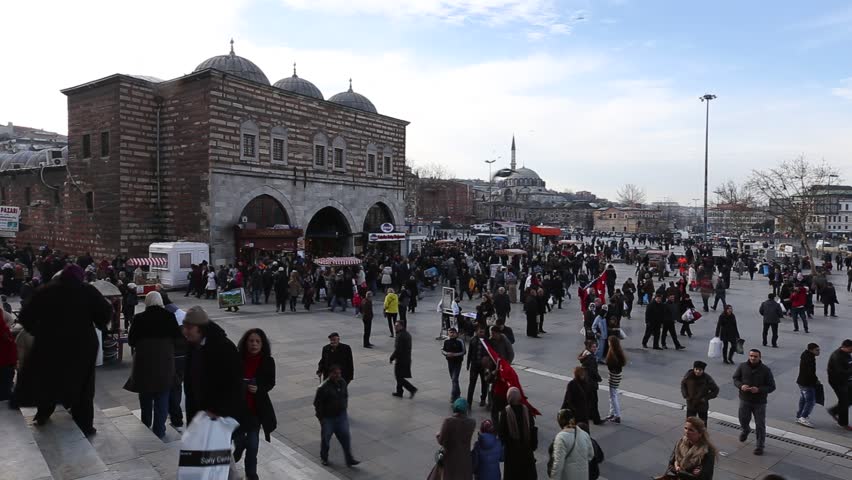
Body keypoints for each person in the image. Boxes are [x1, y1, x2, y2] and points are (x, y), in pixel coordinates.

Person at [15, 264, 111, 435]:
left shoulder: (46, 291)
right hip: (82, 346)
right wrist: (98, 323)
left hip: (51, 345)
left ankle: (43, 414)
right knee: (84, 385)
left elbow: (25, 316)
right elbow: (104, 313)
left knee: (48, 379)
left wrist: (39, 332)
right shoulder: (87, 291)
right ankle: (85, 424)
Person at [124, 292, 181, 439]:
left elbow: (131, 341)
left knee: (145, 394)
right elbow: (177, 338)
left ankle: (146, 423)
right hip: (164, 362)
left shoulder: (139, 318)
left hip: (144, 362)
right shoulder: (169, 317)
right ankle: (159, 430)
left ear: (147, 302)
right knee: (162, 395)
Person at [181, 306, 246, 426]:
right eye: (184, 327)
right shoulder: (192, 345)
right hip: (198, 415)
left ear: (201, 329)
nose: (185, 331)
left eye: (189, 328)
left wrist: (218, 410)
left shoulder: (224, 347)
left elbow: (235, 385)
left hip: (219, 418)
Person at [234, 329, 277, 480]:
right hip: (238, 410)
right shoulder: (237, 359)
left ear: (262, 344)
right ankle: (239, 449)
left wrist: (259, 389)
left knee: (253, 445)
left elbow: (270, 382)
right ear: (245, 343)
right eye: (251, 341)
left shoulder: (267, 361)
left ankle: (251, 472)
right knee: (239, 440)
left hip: (255, 410)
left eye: (258, 341)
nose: (254, 344)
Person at [313, 365, 360, 467]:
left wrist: (344, 407)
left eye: (339, 373)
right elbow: (317, 404)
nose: (338, 375)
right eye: (335, 373)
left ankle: (349, 458)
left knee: (345, 437)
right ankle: (324, 457)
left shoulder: (342, 382)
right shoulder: (323, 387)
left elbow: (345, 395)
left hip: (341, 415)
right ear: (330, 374)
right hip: (328, 418)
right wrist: (322, 418)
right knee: (326, 438)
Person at [733, 349, 776, 455]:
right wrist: (741, 386)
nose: (753, 358)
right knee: (743, 419)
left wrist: (759, 389)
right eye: (751, 356)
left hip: (759, 402)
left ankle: (760, 446)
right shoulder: (742, 366)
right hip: (745, 399)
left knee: (760, 424)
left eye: (755, 356)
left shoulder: (766, 370)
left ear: (759, 357)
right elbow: (735, 378)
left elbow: (772, 386)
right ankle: (746, 430)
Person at [428, 398, 476, 480]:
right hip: (464, 458)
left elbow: (441, 441)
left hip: (450, 458)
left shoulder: (448, 421)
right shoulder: (472, 422)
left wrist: (438, 435)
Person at [497, 387, 537, 479]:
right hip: (527, 451)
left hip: (512, 453)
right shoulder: (526, 410)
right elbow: (532, 428)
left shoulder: (505, 412)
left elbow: (501, 433)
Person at [548, 408, 594, 480]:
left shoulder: (561, 438)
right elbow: (591, 455)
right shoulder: (584, 434)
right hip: (583, 476)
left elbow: (558, 463)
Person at [826, 339, 852, 431]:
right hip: (838, 382)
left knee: (849, 399)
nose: (851, 351)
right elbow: (840, 372)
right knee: (844, 401)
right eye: (851, 349)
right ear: (845, 347)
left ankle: (834, 411)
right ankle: (843, 423)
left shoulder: (847, 354)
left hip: (847, 381)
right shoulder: (836, 357)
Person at [795, 343, 820, 428]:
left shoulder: (806, 355)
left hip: (801, 381)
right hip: (807, 383)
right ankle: (803, 417)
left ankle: (799, 416)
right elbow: (810, 372)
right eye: (817, 350)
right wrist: (816, 380)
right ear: (811, 350)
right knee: (810, 401)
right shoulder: (810, 359)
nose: (819, 352)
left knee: (803, 399)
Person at [390, 321, 417, 398]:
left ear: (402, 326)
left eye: (397, 325)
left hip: (401, 360)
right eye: (395, 325)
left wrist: (392, 357)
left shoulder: (401, 336)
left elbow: (398, 349)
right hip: (406, 359)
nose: (395, 327)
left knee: (398, 377)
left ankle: (412, 389)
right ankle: (399, 392)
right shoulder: (406, 334)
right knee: (400, 376)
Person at [579, 341, 603, 425]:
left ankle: (589, 415)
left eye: (595, 346)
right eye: (593, 347)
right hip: (591, 382)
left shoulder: (585, 354)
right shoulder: (591, 357)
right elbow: (593, 371)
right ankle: (597, 419)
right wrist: (599, 378)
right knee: (594, 401)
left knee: (588, 400)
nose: (595, 348)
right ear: (589, 347)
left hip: (585, 381)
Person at [467, 326, 490, 408]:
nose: (482, 333)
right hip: (474, 365)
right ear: (477, 332)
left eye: (483, 332)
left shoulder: (487, 340)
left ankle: (483, 399)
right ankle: (469, 402)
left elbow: (490, 352)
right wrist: (468, 364)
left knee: (484, 383)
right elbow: (469, 353)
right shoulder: (473, 340)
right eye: (480, 332)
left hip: (484, 366)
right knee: (472, 384)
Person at [605, 336, 626, 423]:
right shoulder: (619, 352)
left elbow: (609, 364)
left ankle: (617, 415)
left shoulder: (612, 354)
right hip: (617, 375)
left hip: (613, 376)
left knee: (613, 396)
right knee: (613, 395)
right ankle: (612, 413)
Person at [442, 327, 466, 403]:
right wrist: (447, 354)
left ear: (456, 333)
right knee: (454, 379)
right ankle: (457, 393)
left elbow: (464, 351)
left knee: (454, 378)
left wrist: (454, 355)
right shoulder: (446, 341)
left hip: (458, 362)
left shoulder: (460, 341)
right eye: (450, 332)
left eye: (453, 332)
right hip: (450, 362)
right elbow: (443, 350)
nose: (452, 334)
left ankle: (453, 395)